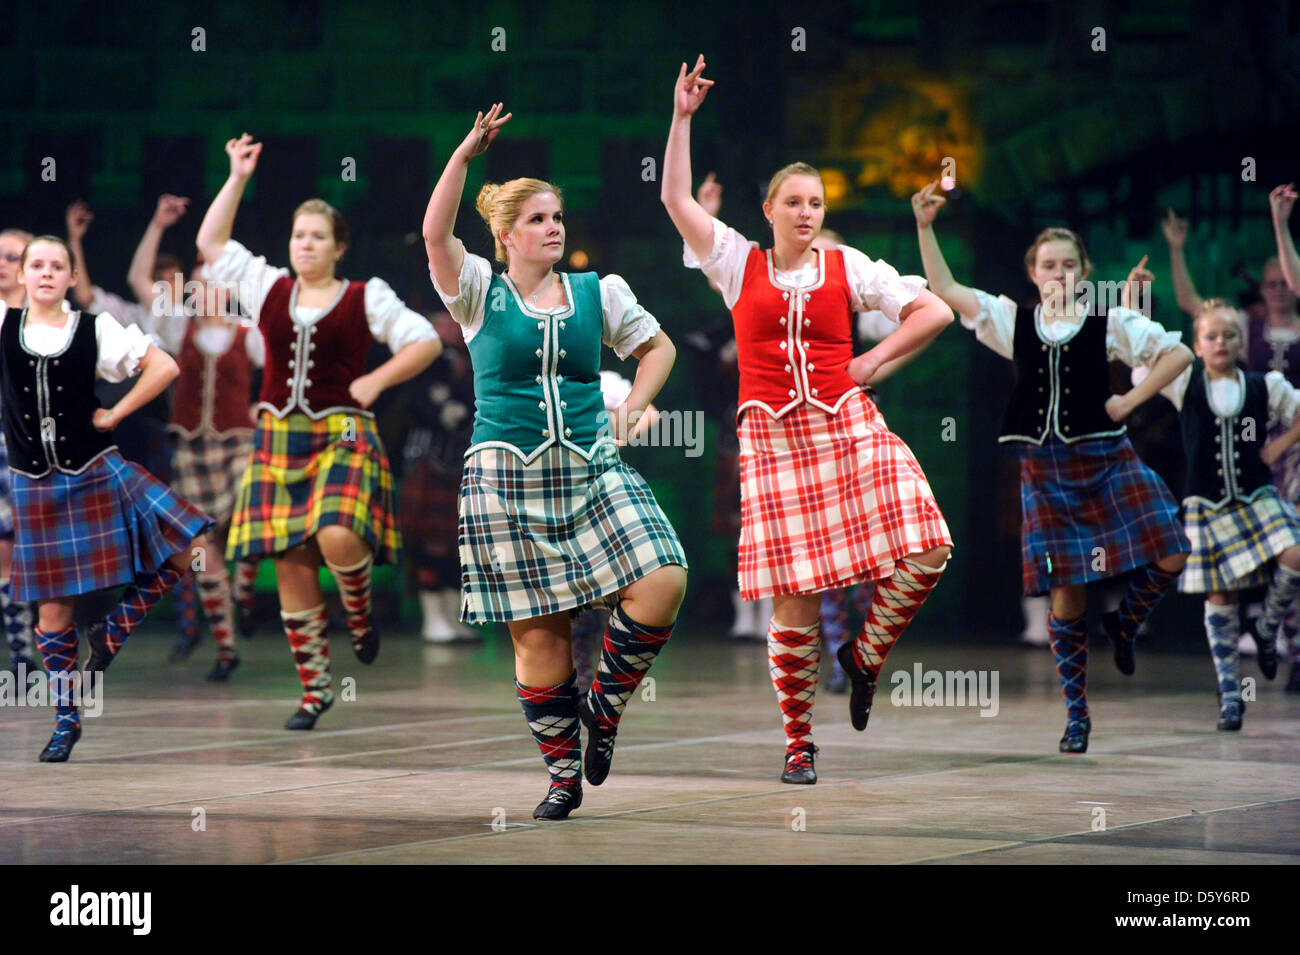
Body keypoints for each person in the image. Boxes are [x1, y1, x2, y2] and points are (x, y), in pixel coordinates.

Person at [663, 58, 956, 785]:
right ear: (767, 210)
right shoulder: (737, 262)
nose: (805, 212)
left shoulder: (846, 264)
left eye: (815, 202)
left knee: (928, 544)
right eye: (792, 201)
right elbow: (674, 197)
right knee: (794, 597)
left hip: (846, 424)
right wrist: (682, 118)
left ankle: (863, 653)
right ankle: (799, 742)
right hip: (774, 438)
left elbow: (935, 310)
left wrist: (873, 361)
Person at [424, 104, 687, 820]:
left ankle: (601, 709)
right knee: (538, 634)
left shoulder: (599, 293)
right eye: (538, 219)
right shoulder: (478, 291)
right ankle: (563, 774)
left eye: (558, 217)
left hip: (591, 466)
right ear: (507, 234)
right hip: (505, 477)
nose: (554, 228)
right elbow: (434, 232)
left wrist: (634, 402)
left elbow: (657, 348)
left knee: (663, 576)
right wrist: (463, 154)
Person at [913, 178, 1191, 753]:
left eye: (1069, 264)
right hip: (1046, 468)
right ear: (1033, 272)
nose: (1058, 273)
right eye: (1048, 264)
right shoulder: (1012, 321)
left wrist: (1129, 400)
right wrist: (924, 226)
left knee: (1172, 547)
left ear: (1084, 272)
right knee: (1068, 594)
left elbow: (1179, 353)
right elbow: (945, 288)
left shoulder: (1111, 322)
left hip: (1106, 456)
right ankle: (1077, 715)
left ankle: (1124, 622)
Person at [198, 133, 441, 729]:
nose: (305, 244)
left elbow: (426, 341)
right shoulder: (268, 286)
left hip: (344, 435)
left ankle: (358, 613)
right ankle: (315, 692)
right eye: (298, 234)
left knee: (335, 536)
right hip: (280, 439)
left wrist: (377, 381)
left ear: (338, 247)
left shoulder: (365, 296)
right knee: (292, 558)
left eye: (316, 236)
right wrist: (237, 177)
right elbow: (210, 244)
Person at [2, 235, 212, 761]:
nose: (46, 273)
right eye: (37, 265)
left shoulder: (94, 328)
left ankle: (116, 625)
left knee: (191, 545)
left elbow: (163, 367)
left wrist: (115, 414)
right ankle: (65, 721)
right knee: (53, 613)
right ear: (23, 275)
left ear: (72, 277)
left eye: (57, 266)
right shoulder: (4, 325)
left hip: (96, 470)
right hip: (35, 483)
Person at [1166, 201, 1300, 683]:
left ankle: (1278, 637)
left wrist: (1281, 224)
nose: (1279, 291)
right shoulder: (1244, 330)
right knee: (1225, 585)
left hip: (1281, 450)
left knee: (1293, 552)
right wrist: (1176, 251)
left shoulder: (1277, 351)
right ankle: (1260, 664)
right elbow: (1194, 307)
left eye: (1285, 283)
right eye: (1271, 284)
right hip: (1245, 461)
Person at [0, 226, 38, 676]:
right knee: (5, 547)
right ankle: (20, 655)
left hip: (42, 447)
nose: (2, 265)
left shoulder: (55, 320)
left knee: (42, 550)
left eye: (12, 256)